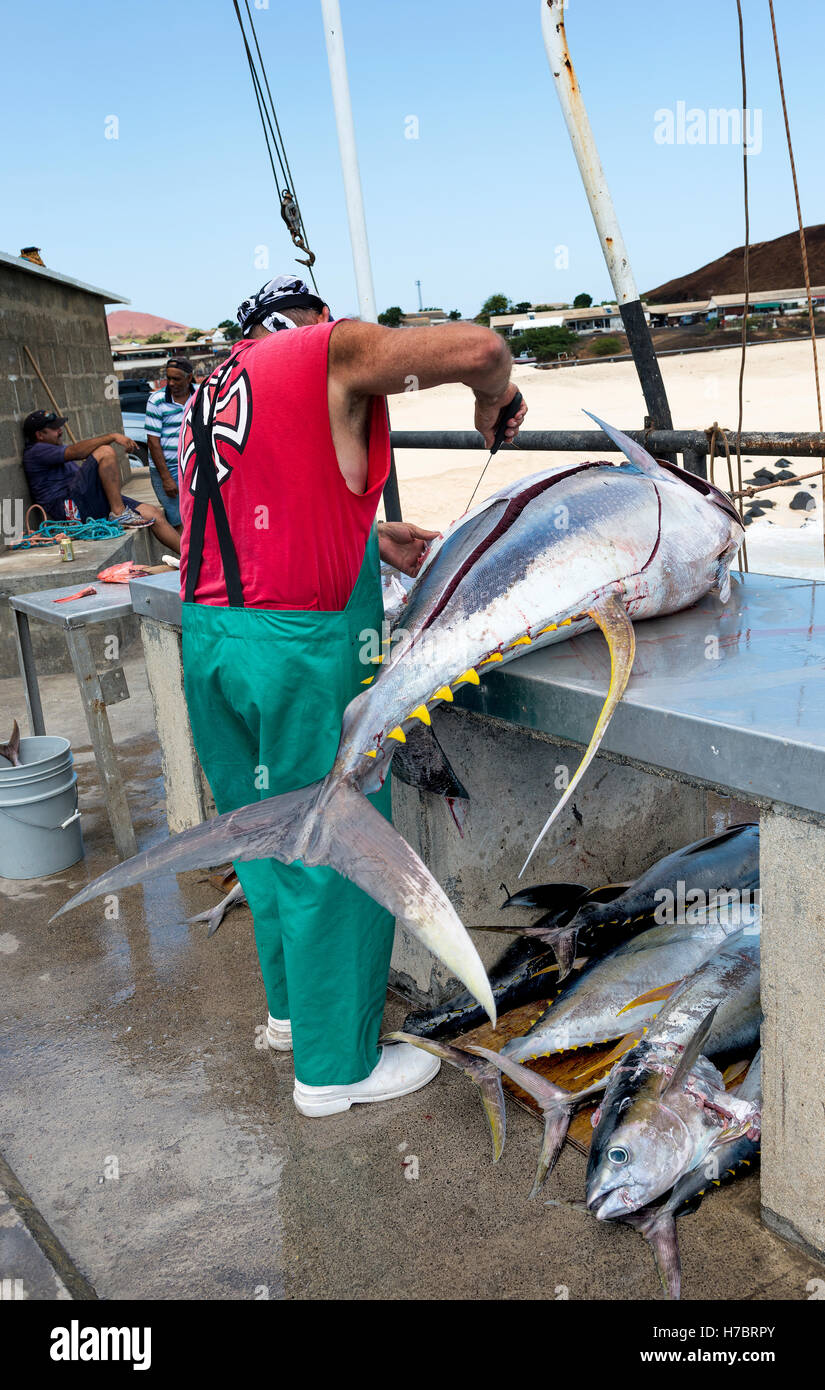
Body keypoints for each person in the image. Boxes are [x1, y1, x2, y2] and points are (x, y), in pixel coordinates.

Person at [178, 274, 527, 1118]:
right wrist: (497, 397)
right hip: (302, 650)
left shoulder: (215, 385)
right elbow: (479, 346)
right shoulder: (324, 351)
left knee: (261, 831)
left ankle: (293, 1017)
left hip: (213, 636)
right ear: (318, 323)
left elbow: (258, 498)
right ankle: (335, 1073)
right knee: (335, 842)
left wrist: (367, 538)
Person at [21, 410, 181, 555]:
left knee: (154, 514)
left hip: (86, 499)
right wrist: (113, 436)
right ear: (39, 435)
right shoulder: (36, 451)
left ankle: (196, 563)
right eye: (54, 429)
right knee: (105, 451)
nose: (60, 431)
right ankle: (119, 514)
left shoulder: (53, 448)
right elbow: (76, 451)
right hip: (70, 507)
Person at [144, 358, 196, 527]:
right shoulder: (157, 400)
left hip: (194, 467)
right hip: (168, 470)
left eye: (177, 379)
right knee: (179, 522)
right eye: (169, 378)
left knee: (199, 518)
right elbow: (153, 442)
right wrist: (166, 478)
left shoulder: (199, 397)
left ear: (189, 379)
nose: (171, 383)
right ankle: (186, 554)